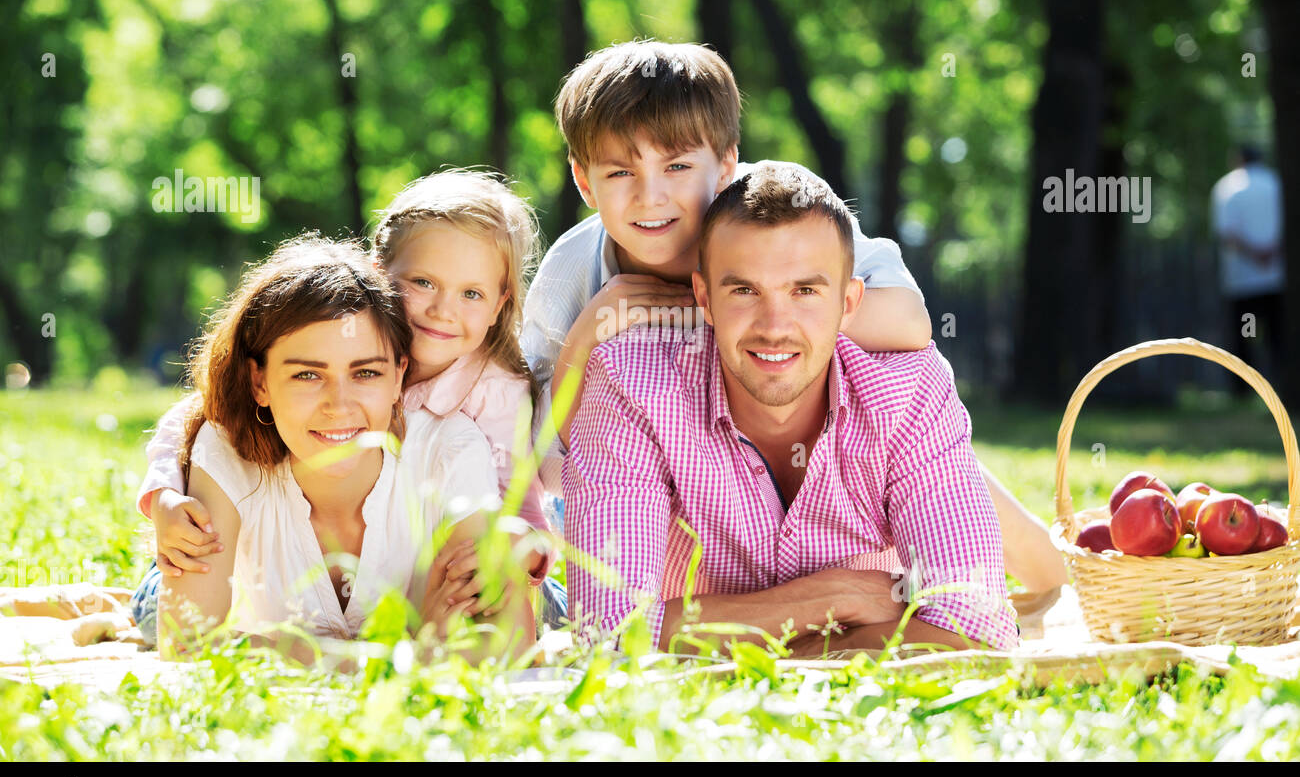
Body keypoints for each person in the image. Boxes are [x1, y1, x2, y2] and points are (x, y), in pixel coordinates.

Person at [522, 39, 1066, 592]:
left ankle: (1039, 567)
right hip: (683, 469)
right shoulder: (573, 272)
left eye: (679, 165)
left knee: (1041, 573)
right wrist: (588, 334)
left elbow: (909, 323)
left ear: (727, 162)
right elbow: (548, 465)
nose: (650, 197)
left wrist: (736, 309)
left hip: (824, 427)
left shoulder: (780, 210)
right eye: (620, 174)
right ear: (585, 181)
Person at [562, 162, 1018, 655]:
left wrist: (733, 653)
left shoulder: (909, 390)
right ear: (704, 299)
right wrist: (834, 598)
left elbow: (977, 625)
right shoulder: (631, 385)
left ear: (848, 303)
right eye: (744, 290)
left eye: (804, 291)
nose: (775, 326)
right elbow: (607, 632)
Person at [133, 171, 566, 639]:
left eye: (471, 293)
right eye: (422, 282)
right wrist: (162, 495)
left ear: (500, 303)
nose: (443, 310)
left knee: (555, 612)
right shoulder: (335, 322)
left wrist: (520, 548)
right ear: (379, 271)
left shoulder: (492, 389)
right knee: (155, 610)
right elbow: (202, 416)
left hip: (469, 546)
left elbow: (517, 500)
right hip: (283, 561)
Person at [1212, 145, 1284, 391]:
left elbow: (1227, 233)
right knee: (1278, 334)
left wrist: (1254, 254)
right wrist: (1269, 252)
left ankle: (1244, 387)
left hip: (1243, 281)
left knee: (1247, 333)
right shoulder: (1277, 184)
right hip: (1276, 276)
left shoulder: (1227, 187)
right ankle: (1282, 381)